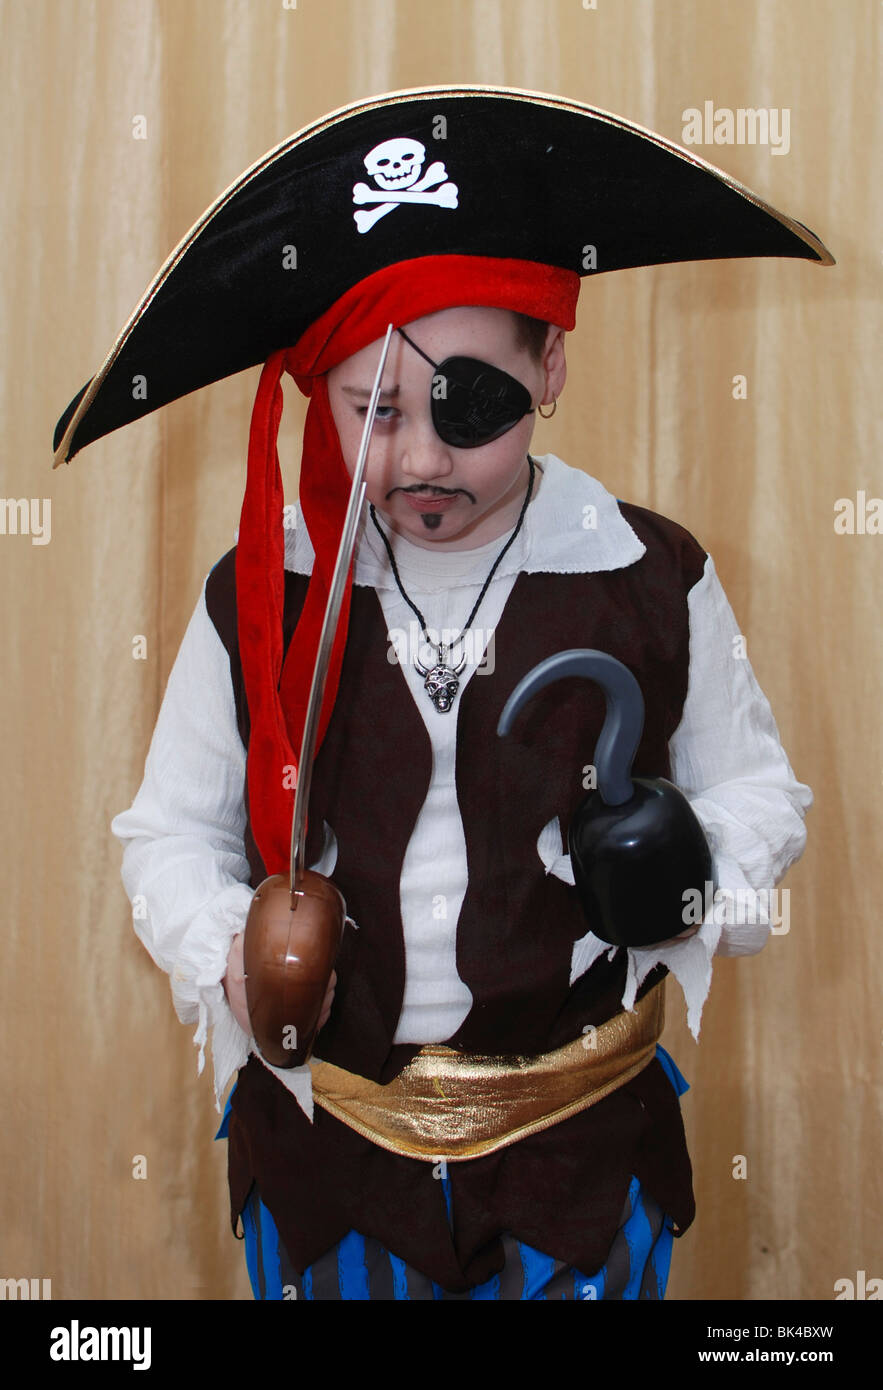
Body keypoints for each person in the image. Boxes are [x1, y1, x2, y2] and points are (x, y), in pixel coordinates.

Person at [55, 88, 829, 1300]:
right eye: (374, 412)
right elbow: (168, 834)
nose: (419, 459)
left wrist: (683, 872)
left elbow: (757, 792)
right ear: (324, 398)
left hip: (579, 1149)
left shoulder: (645, 575)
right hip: (330, 1163)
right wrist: (241, 955)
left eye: (467, 408)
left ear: (551, 364)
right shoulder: (264, 593)